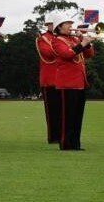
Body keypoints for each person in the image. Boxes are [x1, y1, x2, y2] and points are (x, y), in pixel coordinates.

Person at [51, 13, 95, 151]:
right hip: (66, 82)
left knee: (77, 115)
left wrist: (87, 42)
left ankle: (75, 143)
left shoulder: (74, 39)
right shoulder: (57, 40)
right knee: (67, 116)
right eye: (67, 24)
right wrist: (82, 43)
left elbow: (89, 55)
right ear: (59, 27)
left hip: (79, 82)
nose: (71, 26)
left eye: (71, 23)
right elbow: (68, 54)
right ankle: (65, 143)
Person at [36, 11, 62, 144]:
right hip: (49, 80)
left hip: (63, 79)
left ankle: (63, 135)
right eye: (53, 23)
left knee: (63, 110)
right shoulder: (43, 38)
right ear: (48, 25)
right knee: (52, 111)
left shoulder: (63, 38)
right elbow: (49, 53)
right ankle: (54, 136)